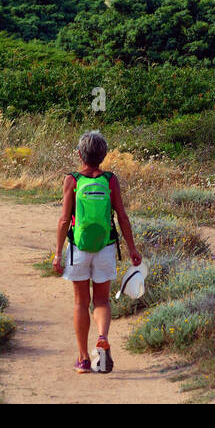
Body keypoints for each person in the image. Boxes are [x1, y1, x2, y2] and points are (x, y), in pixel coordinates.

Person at [53, 130, 142, 374]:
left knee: (81, 301)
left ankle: (83, 359)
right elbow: (121, 216)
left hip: (78, 248)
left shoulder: (72, 180)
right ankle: (102, 337)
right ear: (102, 156)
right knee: (101, 300)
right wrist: (132, 248)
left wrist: (58, 254)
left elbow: (63, 220)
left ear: (80, 154)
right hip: (105, 246)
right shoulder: (110, 180)